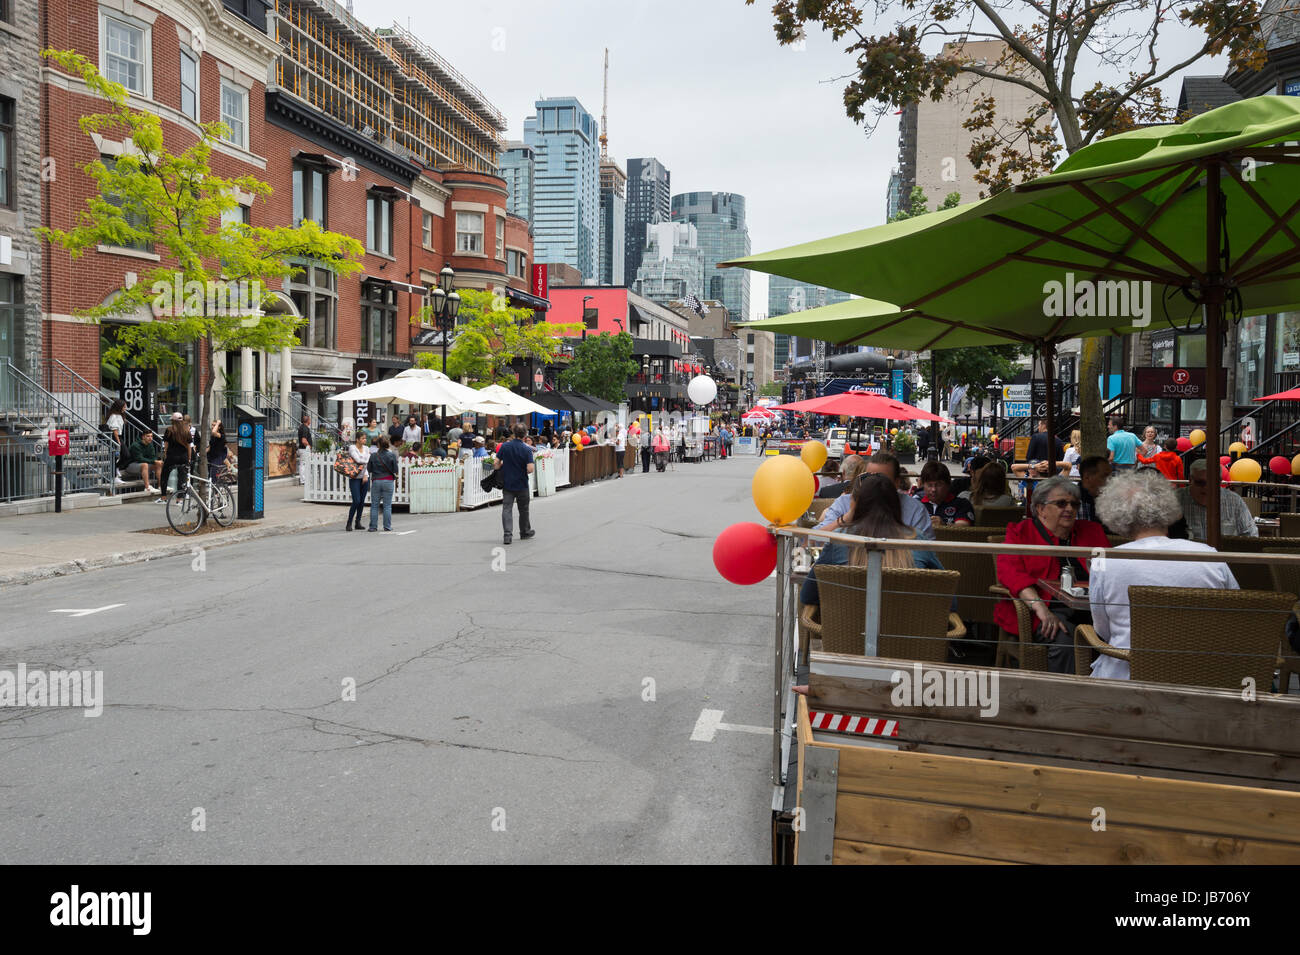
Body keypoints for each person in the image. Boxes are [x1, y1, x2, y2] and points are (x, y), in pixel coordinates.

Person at [1088, 471, 1238, 680]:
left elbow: (1102, 629)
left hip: (1126, 674)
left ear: (1116, 515)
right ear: (1170, 508)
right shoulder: (1207, 554)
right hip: (1201, 675)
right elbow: (1234, 613)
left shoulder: (1105, 562)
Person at [995, 476, 1110, 673]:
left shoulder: (1092, 531)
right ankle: (1064, 699)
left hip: (1095, 611)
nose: (1070, 509)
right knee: (1066, 639)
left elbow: (1111, 571)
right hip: (1046, 610)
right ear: (1040, 509)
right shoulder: (1021, 533)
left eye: (1074, 504)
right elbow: (1010, 572)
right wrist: (1039, 607)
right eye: (1061, 503)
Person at [801, 473, 943, 609]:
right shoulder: (917, 539)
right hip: (909, 631)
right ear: (897, 504)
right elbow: (947, 596)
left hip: (848, 631)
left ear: (857, 505)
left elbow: (808, 595)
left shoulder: (841, 540)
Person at [817, 452, 937, 544]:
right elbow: (813, 539)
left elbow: (927, 549)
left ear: (897, 483)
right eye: (870, 479)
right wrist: (849, 516)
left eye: (883, 480)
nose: (875, 485)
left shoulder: (915, 510)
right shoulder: (845, 503)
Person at [1175, 458, 1258, 540]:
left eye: (1212, 483)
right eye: (1200, 483)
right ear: (1190, 480)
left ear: (1220, 482)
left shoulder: (1235, 501)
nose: (1206, 488)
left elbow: (1251, 535)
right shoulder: (1175, 499)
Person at [495, 424, 535, 544]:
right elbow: (530, 469)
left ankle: (507, 535)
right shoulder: (527, 449)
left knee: (507, 508)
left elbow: (496, 463)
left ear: (513, 432)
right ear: (525, 434)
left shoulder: (505, 446)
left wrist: (503, 466)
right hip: (522, 483)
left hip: (508, 483)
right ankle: (524, 532)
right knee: (523, 509)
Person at [918, 459, 975, 526]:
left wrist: (944, 526)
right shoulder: (916, 504)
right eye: (929, 485)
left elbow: (963, 529)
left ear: (948, 485)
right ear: (923, 485)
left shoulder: (961, 504)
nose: (933, 489)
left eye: (938, 485)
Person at [366, 435, 398, 532]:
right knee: (387, 505)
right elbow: (395, 469)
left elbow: (369, 469)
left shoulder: (373, 455)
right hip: (388, 481)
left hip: (376, 481)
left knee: (374, 505)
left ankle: (373, 526)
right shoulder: (391, 455)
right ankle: (387, 526)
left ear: (378, 445)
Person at [159, 413, 192, 500]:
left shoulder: (169, 430)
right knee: (182, 477)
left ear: (172, 421)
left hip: (172, 456)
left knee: (164, 475)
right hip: (183, 457)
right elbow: (189, 446)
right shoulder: (186, 431)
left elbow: (166, 445)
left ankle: (163, 497)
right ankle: (179, 499)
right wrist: (189, 458)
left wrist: (165, 455)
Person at [1076, 455, 1113, 526]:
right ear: (1087, 478)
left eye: (1111, 476)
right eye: (1104, 476)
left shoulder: (1109, 501)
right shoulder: (1073, 503)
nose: (1110, 480)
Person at [344, 431, 370, 531]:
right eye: (363, 438)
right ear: (358, 439)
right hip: (354, 477)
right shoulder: (352, 448)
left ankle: (358, 522)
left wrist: (365, 475)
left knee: (362, 501)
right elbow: (357, 460)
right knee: (356, 500)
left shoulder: (366, 448)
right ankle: (349, 522)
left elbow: (366, 463)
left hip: (364, 477)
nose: (365, 440)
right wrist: (367, 459)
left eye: (365, 438)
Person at [103, 398, 128, 483]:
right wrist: (118, 442)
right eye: (124, 406)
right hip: (114, 437)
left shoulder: (120, 415)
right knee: (119, 456)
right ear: (119, 406)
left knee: (124, 455)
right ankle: (114, 477)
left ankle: (116, 468)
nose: (125, 408)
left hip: (118, 437)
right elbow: (114, 430)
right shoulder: (113, 416)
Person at [297, 415, 313, 486]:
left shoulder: (301, 427)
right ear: (308, 420)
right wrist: (309, 446)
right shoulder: (305, 428)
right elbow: (303, 440)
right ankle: (303, 480)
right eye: (310, 420)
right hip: (304, 449)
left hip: (302, 449)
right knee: (303, 464)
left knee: (304, 464)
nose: (310, 421)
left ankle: (304, 479)